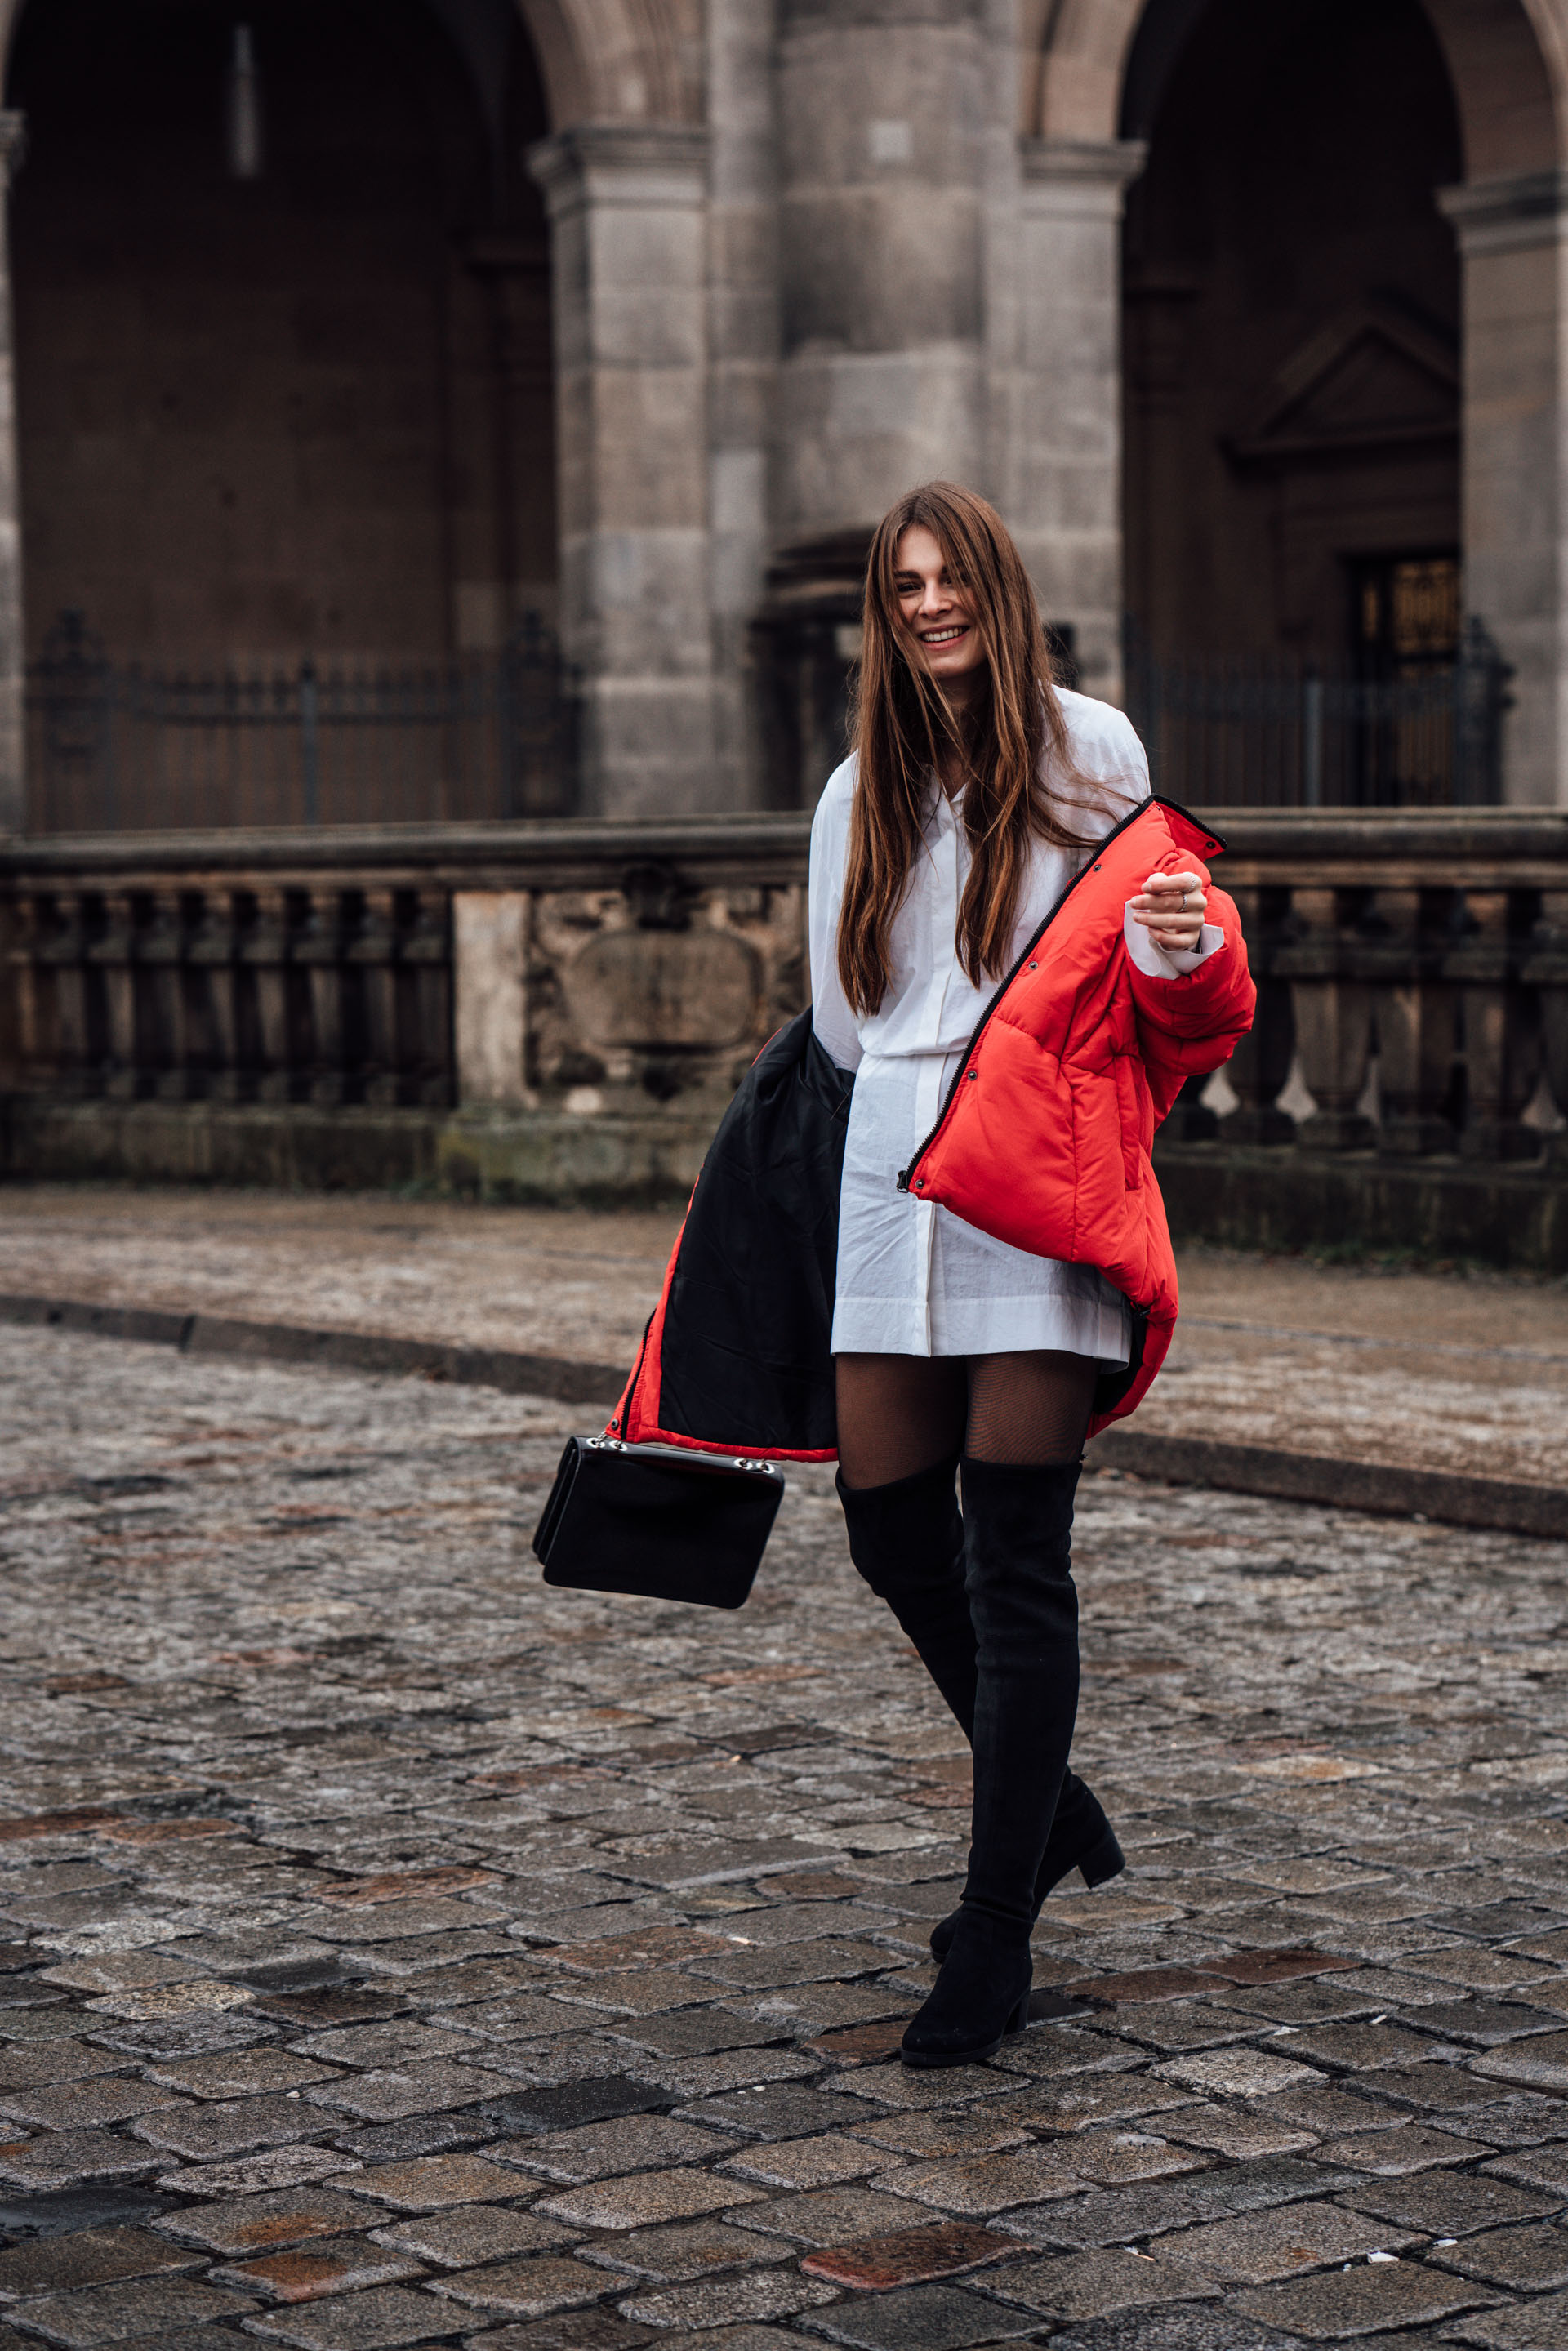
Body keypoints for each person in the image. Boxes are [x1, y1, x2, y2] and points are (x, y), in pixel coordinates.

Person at [807, 482, 1254, 2066]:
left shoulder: (1094, 754)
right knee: (884, 1531)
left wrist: (1184, 948)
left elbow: (1150, 979)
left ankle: (990, 1935)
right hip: (886, 1186)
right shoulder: (857, 790)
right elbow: (844, 1027)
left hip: (1035, 1177)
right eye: (903, 584)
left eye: (951, 578)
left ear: (999, 585)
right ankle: (1046, 1803)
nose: (929, 603)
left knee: (1016, 1559)